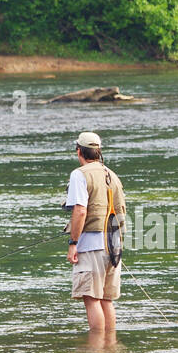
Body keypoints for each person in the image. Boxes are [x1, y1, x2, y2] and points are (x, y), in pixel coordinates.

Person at [64, 131, 126, 334]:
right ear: (98, 152)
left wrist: (73, 243)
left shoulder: (79, 174)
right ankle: (109, 349)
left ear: (79, 151)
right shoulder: (112, 174)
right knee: (106, 300)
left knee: (91, 299)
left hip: (91, 246)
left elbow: (80, 210)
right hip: (114, 245)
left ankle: (97, 352)